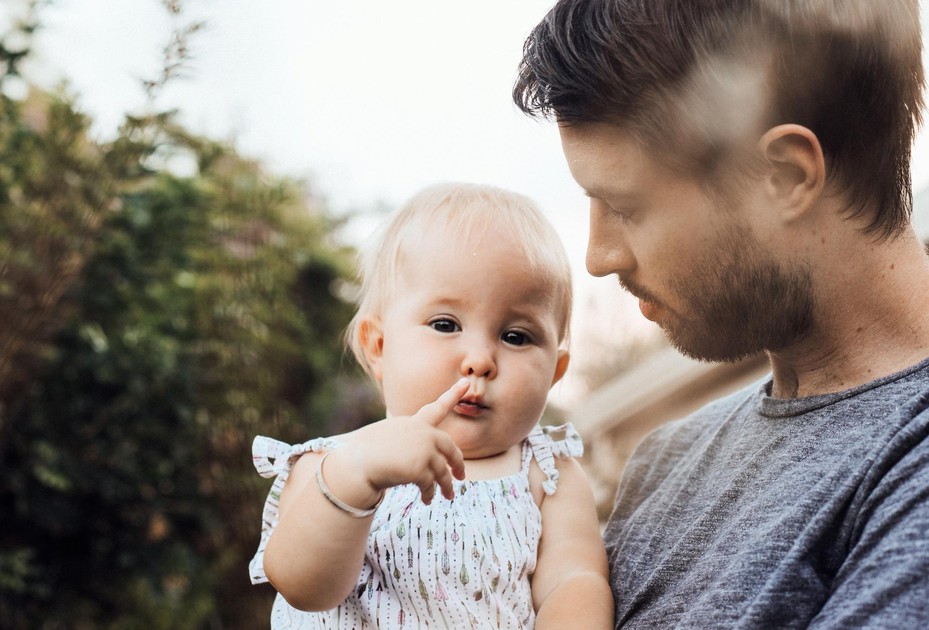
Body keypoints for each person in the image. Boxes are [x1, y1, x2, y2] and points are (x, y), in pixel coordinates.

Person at [513, 0, 929, 627]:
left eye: (623, 206)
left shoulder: (907, 456)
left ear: (785, 176)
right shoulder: (665, 460)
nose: (598, 257)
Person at [248, 183, 613, 628]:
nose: (479, 360)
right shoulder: (329, 465)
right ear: (379, 347)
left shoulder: (547, 477)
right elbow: (303, 587)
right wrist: (355, 478)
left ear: (555, 372)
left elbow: (573, 582)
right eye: (445, 324)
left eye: (515, 336)